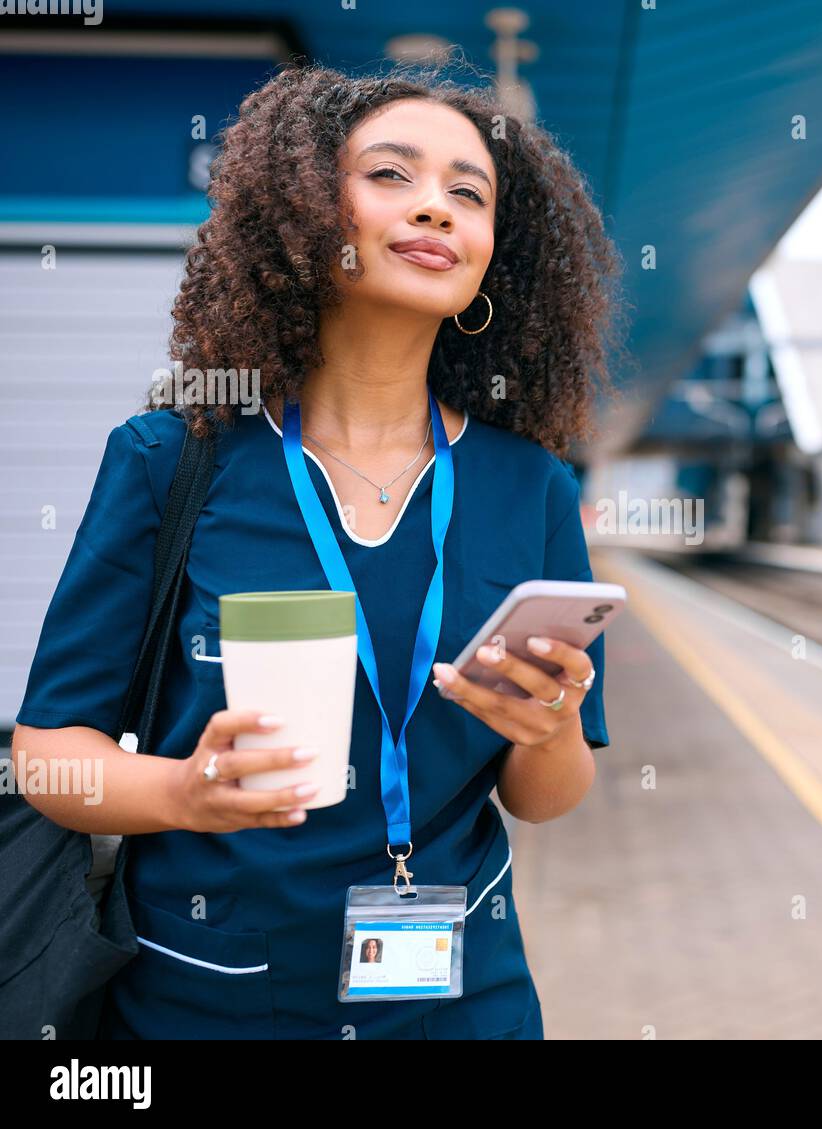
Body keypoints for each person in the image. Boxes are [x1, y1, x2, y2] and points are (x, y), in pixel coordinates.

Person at [11, 60, 626, 1040]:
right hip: (209, 997)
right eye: (392, 176)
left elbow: (545, 799)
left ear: (487, 263)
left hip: (460, 1002)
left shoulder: (532, 487)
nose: (435, 207)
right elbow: (49, 758)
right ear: (303, 216)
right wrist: (179, 792)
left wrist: (550, 730)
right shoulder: (172, 461)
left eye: (467, 194)